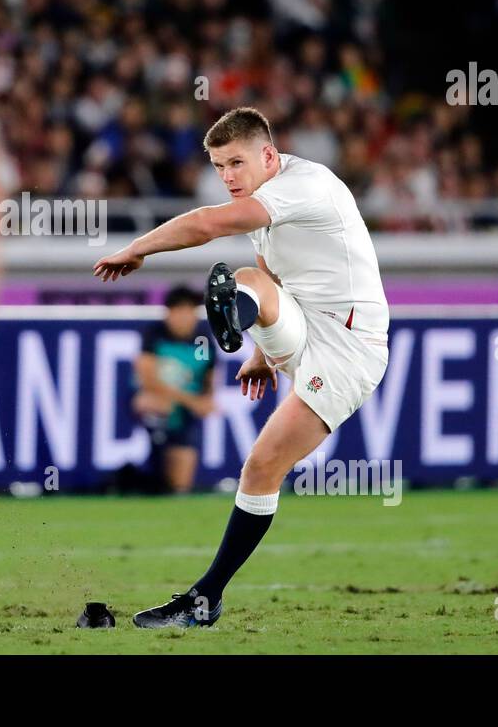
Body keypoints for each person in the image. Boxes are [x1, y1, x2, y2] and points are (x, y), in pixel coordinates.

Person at [94, 106, 390, 627]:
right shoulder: (267, 196)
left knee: (261, 467)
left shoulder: (308, 186)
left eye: (235, 163)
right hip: (304, 324)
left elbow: (208, 224)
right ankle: (238, 323)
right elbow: (277, 274)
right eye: (218, 167)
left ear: (269, 155)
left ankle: (205, 599)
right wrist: (262, 350)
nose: (227, 176)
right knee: (249, 276)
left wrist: (139, 249)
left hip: (349, 347)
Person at [133, 285, 215, 493]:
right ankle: (156, 459)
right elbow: (148, 380)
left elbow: (209, 376)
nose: (185, 318)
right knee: (155, 404)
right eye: (179, 311)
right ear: (169, 313)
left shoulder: (202, 339)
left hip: (185, 411)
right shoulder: (155, 334)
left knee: (180, 485)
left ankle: (167, 481)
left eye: (189, 311)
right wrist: (192, 401)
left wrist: (206, 400)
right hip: (161, 402)